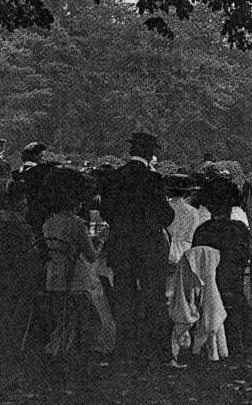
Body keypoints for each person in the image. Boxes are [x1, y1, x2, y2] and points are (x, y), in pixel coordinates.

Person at [99, 131, 174, 363]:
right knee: (154, 296)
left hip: (122, 245)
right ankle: (154, 349)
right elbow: (166, 215)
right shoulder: (153, 180)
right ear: (150, 153)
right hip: (148, 246)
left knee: (124, 296)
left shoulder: (114, 177)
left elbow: (105, 211)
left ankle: (124, 347)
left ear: (131, 151)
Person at [41, 167, 116, 369]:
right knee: (101, 289)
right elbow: (91, 256)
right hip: (74, 283)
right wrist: (100, 240)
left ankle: (61, 342)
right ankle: (85, 345)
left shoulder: (48, 223)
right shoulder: (77, 225)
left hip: (53, 279)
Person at [0, 180, 41, 356]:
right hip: (5, 282)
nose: (26, 209)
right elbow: (25, 262)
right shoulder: (19, 229)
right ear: (18, 207)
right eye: (24, 205)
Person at [192, 176, 252, 350]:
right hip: (232, 284)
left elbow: (196, 261)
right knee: (235, 289)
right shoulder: (238, 229)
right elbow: (246, 257)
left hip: (206, 287)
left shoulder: (202, 230)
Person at [165, 174, 203, 266]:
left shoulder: (164, 208)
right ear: (186, 193)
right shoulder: (193, 211)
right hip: (186, 251)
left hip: (166, 251)